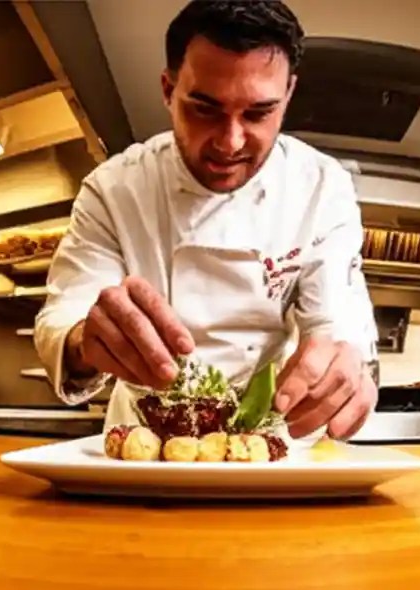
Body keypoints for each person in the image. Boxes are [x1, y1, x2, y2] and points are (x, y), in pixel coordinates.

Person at [34, 0, 378, 440]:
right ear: (167, 90)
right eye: (204, 108)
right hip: (143, 444)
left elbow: (336, 324)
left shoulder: (321, 186)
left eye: (258, 113)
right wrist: (85, 339)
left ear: (288, 95)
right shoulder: (114, 188)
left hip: (269, 441)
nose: (230, 142)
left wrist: (342, 367)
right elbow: (64, 318)